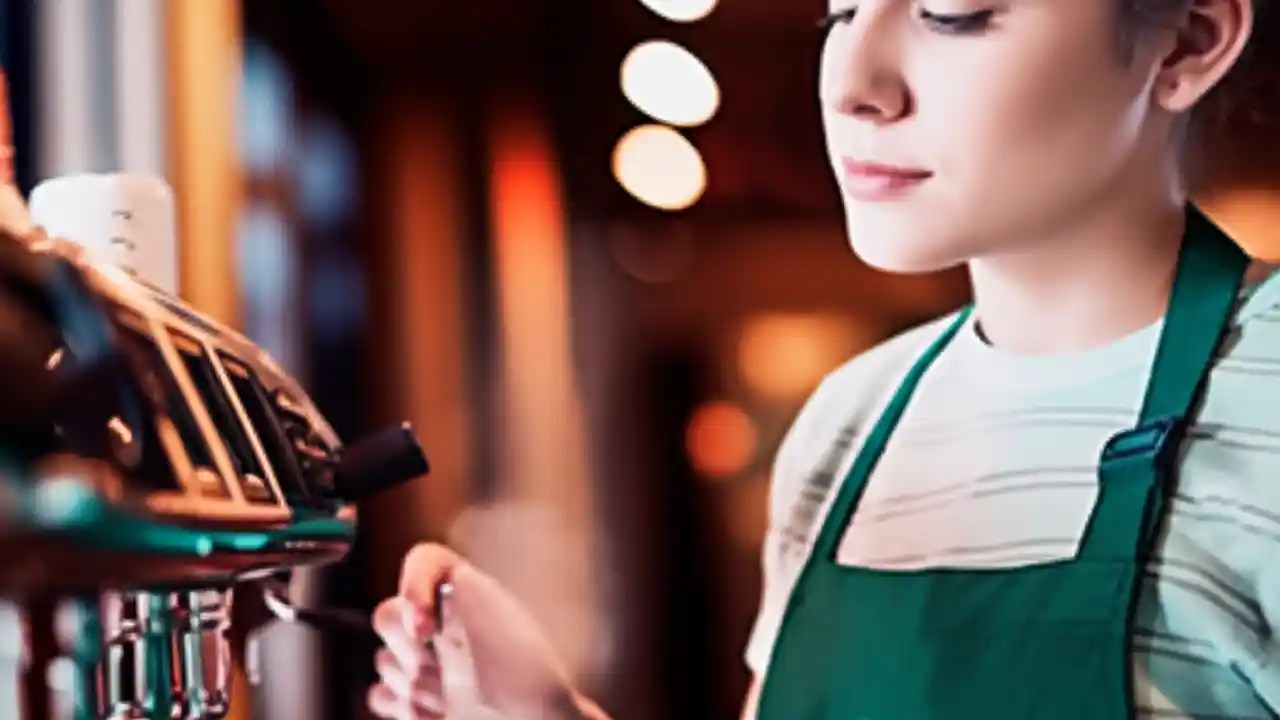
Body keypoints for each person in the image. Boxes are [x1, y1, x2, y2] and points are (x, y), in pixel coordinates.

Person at [369, 0, 1280, 717]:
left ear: (1186, 44)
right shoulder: (849, 425)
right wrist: (543, 713)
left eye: (950, 13)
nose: (853, 84)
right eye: (840, 12)